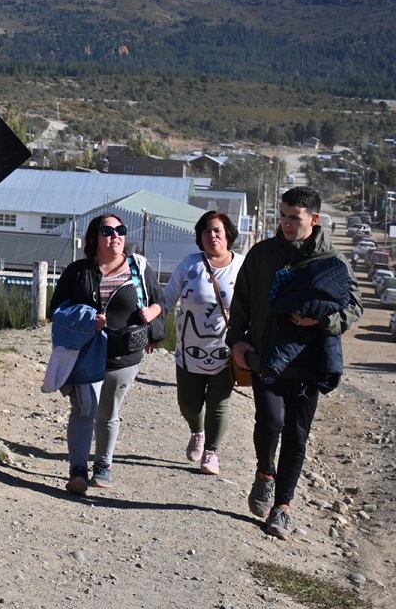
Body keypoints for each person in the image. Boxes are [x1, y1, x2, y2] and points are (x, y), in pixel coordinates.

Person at [228, 187, 361, 540]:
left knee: (297, 436)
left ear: (313, 220)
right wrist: (238, 340)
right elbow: (240, 302)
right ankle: (265, 474)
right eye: (283, 217)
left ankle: (283, 507)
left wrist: (322, 321)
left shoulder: (334, 262)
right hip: (266, 358)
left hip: (310, 363)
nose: (286, 224)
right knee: (270, 421)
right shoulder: (262, 254)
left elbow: (354, 307)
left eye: (294, 218)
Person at [48, 213, 164, 495]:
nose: (115, 236)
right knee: (84, 410)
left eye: (120, 230)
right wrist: (88, 319)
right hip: (86, 353)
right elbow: (56, 311)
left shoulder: (140, 267)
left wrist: (152, 316)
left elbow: (159, 301)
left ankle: (103, 465)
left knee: (109, 412)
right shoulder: (77, 272)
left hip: (125, 355)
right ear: (93, 238)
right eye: (107, 231)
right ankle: (77, 470)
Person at [159, 210, 244, 476]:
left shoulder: (243, 267)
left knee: (219, 403)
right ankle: (197, 432)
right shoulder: (189, 265)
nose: (212, 236)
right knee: (189, 404)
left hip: (226, 352)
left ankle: (211, 452)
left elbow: (256, 305)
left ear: (228, 234)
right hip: (188, 351)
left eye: (217, 230)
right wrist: (151, 325)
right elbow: (167, 299)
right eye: (206, 232)